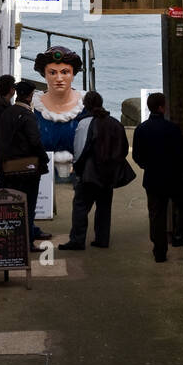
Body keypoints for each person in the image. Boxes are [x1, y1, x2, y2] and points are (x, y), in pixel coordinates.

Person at [59, 91, 132, 251]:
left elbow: (79, 150)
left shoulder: (85, 123)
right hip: (109, 172)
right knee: (104, 206)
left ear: (86, 105)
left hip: (89, 173)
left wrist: (77, 170)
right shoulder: (114, 123)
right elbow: (124, 149)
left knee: (80, 206)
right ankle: (102, 239)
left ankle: (78, 240)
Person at [132, 92, 183, 262]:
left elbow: (137, 156)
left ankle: (159, 250)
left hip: (153, 177)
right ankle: (179, 236)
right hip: (172, 176)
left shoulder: (141, 129)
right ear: (162, 107)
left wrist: (146, 165)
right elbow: (181, 154)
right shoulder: (172, 128)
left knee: (156, 215)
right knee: (182, 206)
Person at [0, 79, 49, 250]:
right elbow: (35, 140)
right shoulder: (28, 115)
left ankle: (13, 240)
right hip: (27, 168)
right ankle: (27, 242)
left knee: (13, 206)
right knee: (28, 204)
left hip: (8, 167)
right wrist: (44, 158)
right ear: (29, 96)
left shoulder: (7, 113)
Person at [31, 46, 85, 171]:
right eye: (52, 72)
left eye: (65, 72)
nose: (59, 79)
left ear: (73, 74)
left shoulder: (85, 106)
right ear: (44, 74)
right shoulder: (33, 108)